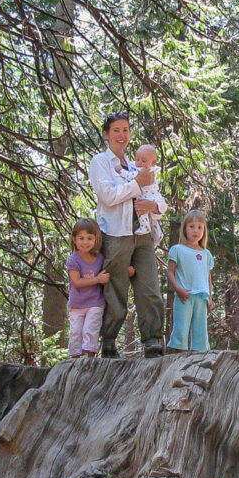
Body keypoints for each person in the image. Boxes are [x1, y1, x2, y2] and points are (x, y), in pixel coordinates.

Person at [88, 111, 167, 358]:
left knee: (149, 288)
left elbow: (157, 197)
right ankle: (109, 343)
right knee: (115, 289)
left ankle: (153, 341)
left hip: (143, 233)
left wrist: (153, 207)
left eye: (126, 130)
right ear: (106, 134)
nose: (122, 135)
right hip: (115, 234)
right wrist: (137, 185)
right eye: (116, 130)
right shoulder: (100, 162)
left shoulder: (137, 164)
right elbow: (108, 196)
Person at [167, 210, 214, 352]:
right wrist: (178, 289)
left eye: (200, 227)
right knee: (181, 327)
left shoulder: (206, 254)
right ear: (185, 228)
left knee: (200, 328)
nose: (196, 231)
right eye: (191, 226)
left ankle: (200, 355)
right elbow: (170, 272)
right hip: (184, 295)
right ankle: (176, 353)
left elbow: (208, 278)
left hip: (202, 296)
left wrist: (210, 296)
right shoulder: (177, 249)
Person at [66, 218, 108, 358]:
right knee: (75, 332)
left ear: (96, 239)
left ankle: (90, 360)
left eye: (89, 238)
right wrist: (97, 279)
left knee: (90, 330)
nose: (85, 242)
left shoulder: (100, 258)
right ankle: (74, 361)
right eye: (81, 238)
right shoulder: (73, 260)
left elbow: (112, 268)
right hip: (77, 305)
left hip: (95, 303)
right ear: (74, 239)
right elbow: (76, 282)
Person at [132, 144, 164, 243]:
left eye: (143, 161)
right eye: (137, 160)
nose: (139, 163)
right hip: (152, 195)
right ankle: (158, 235)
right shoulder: (145, 168)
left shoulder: (145, 170)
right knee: (153, 220)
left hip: (148, 195)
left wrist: (120, 171)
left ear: (153, 162)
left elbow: (131, 176)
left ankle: (145, 227)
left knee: (142, 211)